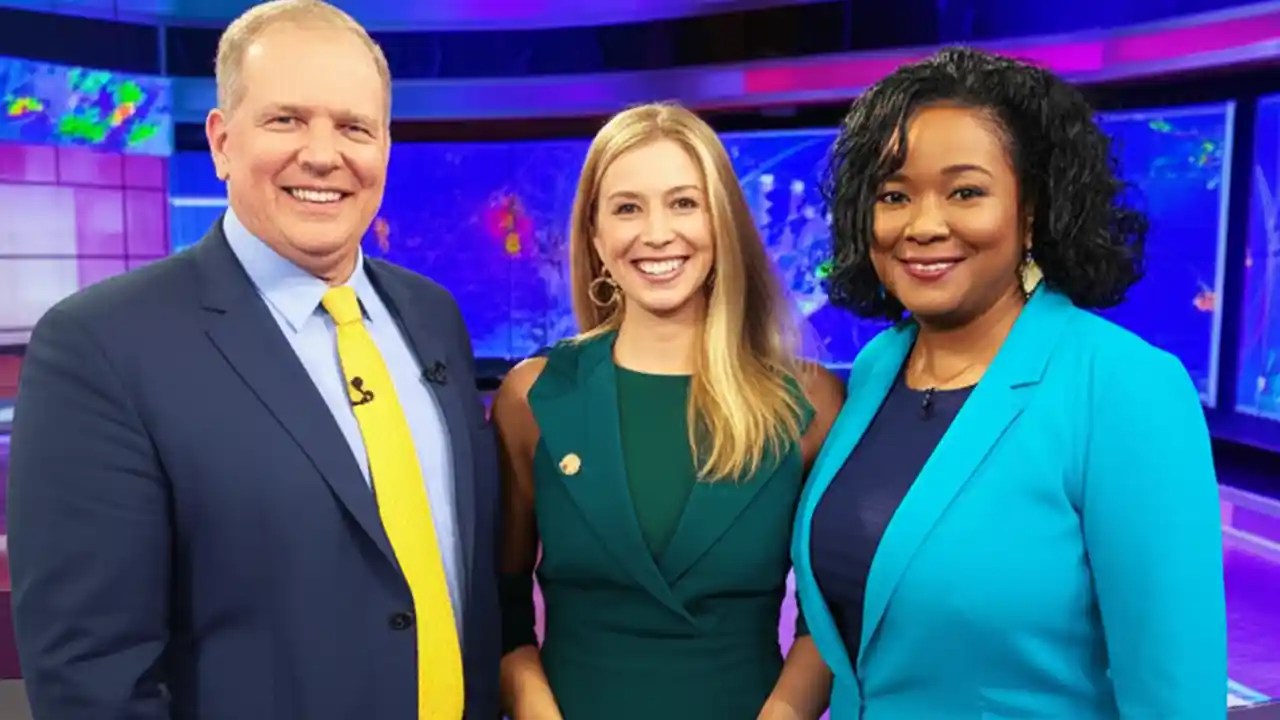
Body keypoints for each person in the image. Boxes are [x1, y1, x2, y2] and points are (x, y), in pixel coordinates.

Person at [7, 2, 500, 718]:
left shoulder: (432, 318)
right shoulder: (101, 347)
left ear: (385, 148)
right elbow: (92, 677)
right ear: (221, 141)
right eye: (286, 120)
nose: (324, 154)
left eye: (354, 127)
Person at [791, 47, 1227, 719]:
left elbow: (1176, 697)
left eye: (965, 191)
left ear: (1032, 211)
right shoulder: (880, 367)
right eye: (894, 194)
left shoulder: (1123, 387)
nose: (924, 225)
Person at [492, 102, 844, 719]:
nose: (657, 233)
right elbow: (499, 601)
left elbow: (829, 621)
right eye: (628, 207)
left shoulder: (808, 403)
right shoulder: (534, 397)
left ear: (723, 223)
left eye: (684, 203)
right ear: (596, 236)